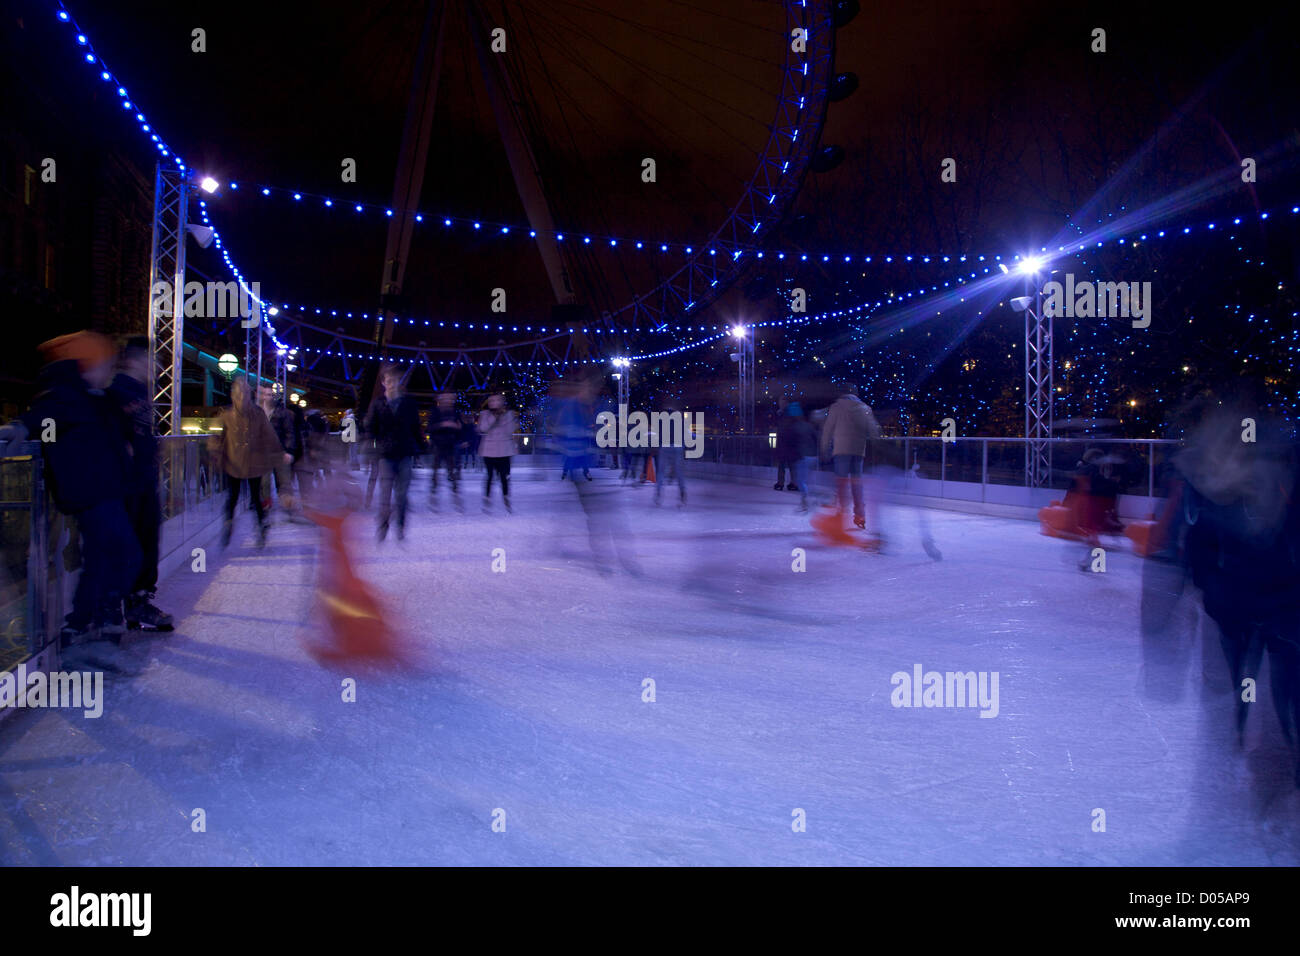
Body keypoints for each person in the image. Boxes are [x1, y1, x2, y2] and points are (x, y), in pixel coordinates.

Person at [0, 332, 141, 644]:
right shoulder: (68, 395)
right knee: (128, 554)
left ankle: (78, 622)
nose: (110, 371)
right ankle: (104, 613)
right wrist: (19, 427)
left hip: (107, 489)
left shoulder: (95, 397)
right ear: (88, 365)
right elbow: (45, 415)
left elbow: (117, 429)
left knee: (98, 560)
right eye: (106, 365)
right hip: (93, 492)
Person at [109, 337, 173, 631]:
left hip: (144, 482)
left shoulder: (140, 391)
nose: (158, 367)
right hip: (125, 487)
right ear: (136, 360)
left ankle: (138, 603)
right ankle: (115, 609)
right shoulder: (116, 390)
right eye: (154, 360)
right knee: (129, 547)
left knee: (147, 543)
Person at [210, 375, 289, 548]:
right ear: (233, 396)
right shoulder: (227, 415)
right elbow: (215, 436)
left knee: (254, 497)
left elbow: (270, 436)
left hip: (253, 464)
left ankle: (260, 527)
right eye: (238, 395)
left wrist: (279, 452)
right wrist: (215, 452)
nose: (241, 398)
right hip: (234, 463)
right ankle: (232, 526)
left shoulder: (256, 414)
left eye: (244, 394)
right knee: (235, 497)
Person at [366, 365, 425, 540]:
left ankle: (400, 526)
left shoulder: (409, 403)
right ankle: (383, 525)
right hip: (385, 455)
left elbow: (416, 427)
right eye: (389, 381)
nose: (392, 384)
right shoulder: (377, 404)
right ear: (384, 383)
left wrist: (422, 447)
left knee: (401, 494)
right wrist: (371, 445)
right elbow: (370, 428)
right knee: (385, 494)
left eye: (395, 381)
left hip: (405, 453)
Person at [819, 385, 881, 529]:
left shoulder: (836, 407)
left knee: (841, 483)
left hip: (841, 450)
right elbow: (873, 430)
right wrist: (876, 442)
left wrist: (824, 447)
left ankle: (841, 513)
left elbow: (828, 429)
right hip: (858, 451)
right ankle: (860, 515)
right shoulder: (865, 408)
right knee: (857, 483)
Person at [477, 393, 517, 513]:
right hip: (489, 451)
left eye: (498, 401)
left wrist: (505, 416)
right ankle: (487, 498)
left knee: (505, 477)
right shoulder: (484, 415)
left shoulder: (509, 414)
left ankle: (506, 497)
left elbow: (511, 430)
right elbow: (483, 428)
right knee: (490, 476)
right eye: (492, 402)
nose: (495, 405)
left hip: (504, 451)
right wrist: (495, 417)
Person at [428, 391, 464, 511]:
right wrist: (443, 424)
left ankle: (455, 493)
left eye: (451, 399)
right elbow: (430, 428)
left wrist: (459, 432)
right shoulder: (435, 412)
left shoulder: (455, 412)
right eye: (446, 399)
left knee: (452, 471)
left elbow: (459, 428)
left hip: (451, 445)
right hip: (438, 445)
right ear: (441, 399)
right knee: (435, 471)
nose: (448, 401)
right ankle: (433, 493)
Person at [784, 402, 819, 513]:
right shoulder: (808, 425)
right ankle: (810, 500)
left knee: (801, 481)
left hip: (802, 456)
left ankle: (805, 502)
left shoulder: (793, 427)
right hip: (813, 456)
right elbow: (816, 438)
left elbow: (791, 444)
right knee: (807, 480)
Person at [773, 397, 794, 490]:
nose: (780, 404)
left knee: (785, 464)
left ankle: (783, 483)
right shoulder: (782, 413)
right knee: (788, 464)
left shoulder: (785, 414)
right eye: (780, 402)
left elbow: (783, 428)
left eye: (782, 402)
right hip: (785, 443)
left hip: (786, 443)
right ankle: (789, 483)